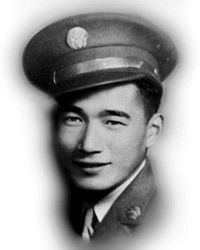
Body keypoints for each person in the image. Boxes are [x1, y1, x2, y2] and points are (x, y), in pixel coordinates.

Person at [23, 12, 178, 243]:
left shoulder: (170, 221)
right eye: (74, 119)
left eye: (112, 122)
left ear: (152, 131)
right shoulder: (58, 214)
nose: (88, 144)